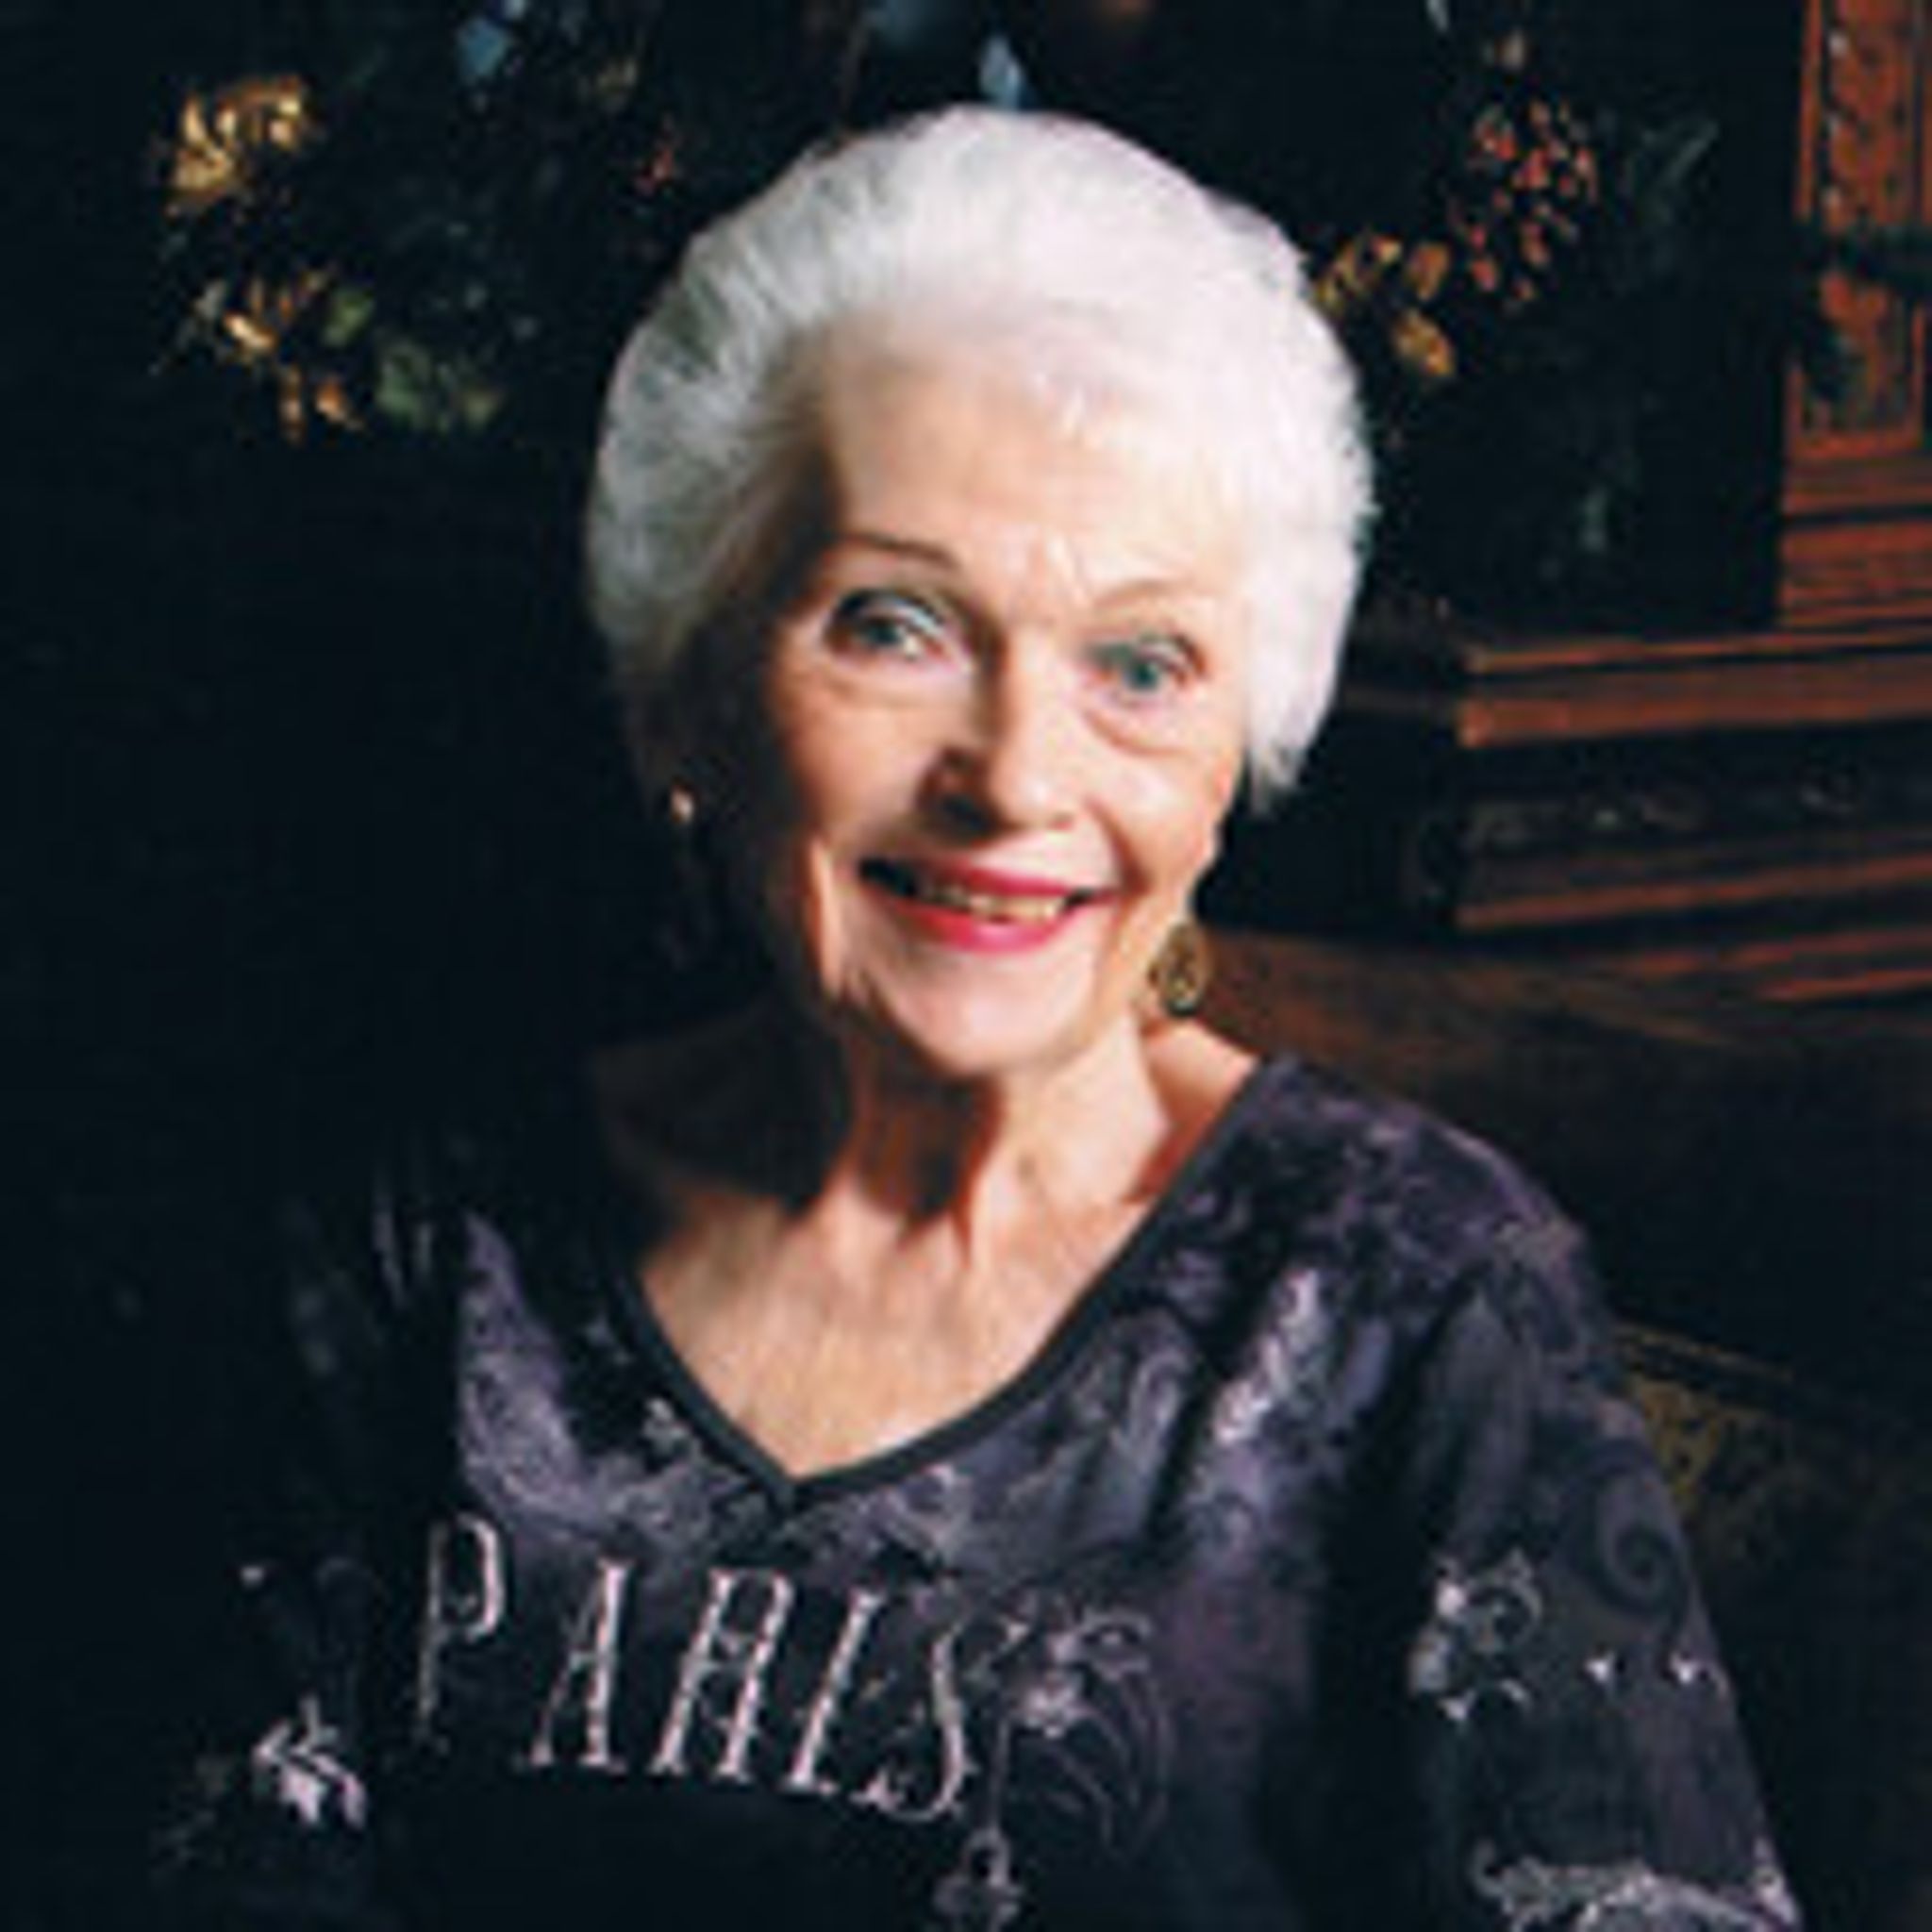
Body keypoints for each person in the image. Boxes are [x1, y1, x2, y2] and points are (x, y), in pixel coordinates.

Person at [156, 108, 1799, 1929]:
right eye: (893, 625)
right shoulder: (426, 1258)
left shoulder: (1416, 1297)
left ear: (1236, 754)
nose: (1016, 775)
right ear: (686, 692)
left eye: (1142, 665)